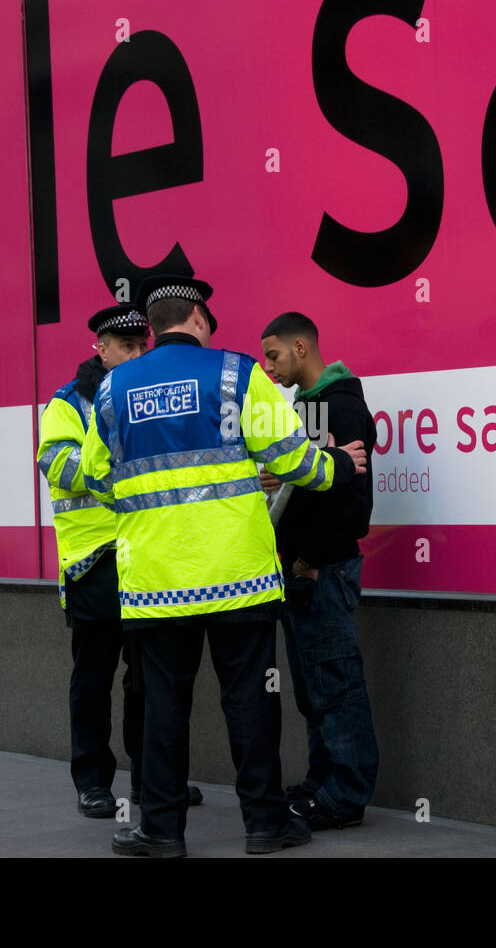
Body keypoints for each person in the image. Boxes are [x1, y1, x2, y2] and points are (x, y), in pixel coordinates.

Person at [80, 275, 369, 857]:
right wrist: (339, 464)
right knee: (251, 703)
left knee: (163, 707)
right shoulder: (237, 374)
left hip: (157, 584)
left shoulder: (113, 389)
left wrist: (148, 506)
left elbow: (95, 476)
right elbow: (292, 457)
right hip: (239, 578)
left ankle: (161, 830)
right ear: (197, 317)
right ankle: (266, 823)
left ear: (152, 326)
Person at [36, 305, 202, 817]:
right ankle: (91, 781)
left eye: (141, 346)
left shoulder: (148, 396)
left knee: (147, 677)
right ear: (101, 350)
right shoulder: (68, 403)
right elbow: (56, 464)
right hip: (93, 564)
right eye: (125, 347)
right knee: (93, 678)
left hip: (147, 554)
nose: (135, 354)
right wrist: (121, 464)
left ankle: (154, 779)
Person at [258, 312, 380, 829]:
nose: (269, 368)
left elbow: (351, 505)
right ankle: (322, 783)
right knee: (314, 687)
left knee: (336, 683)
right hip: (302, 571)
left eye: (274, 355)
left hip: (322, 571)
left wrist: (308, 561)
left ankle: (345, 796)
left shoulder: (340, 406)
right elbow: (310, 483)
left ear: (301, 348)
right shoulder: (307, 407)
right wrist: (276, 479)